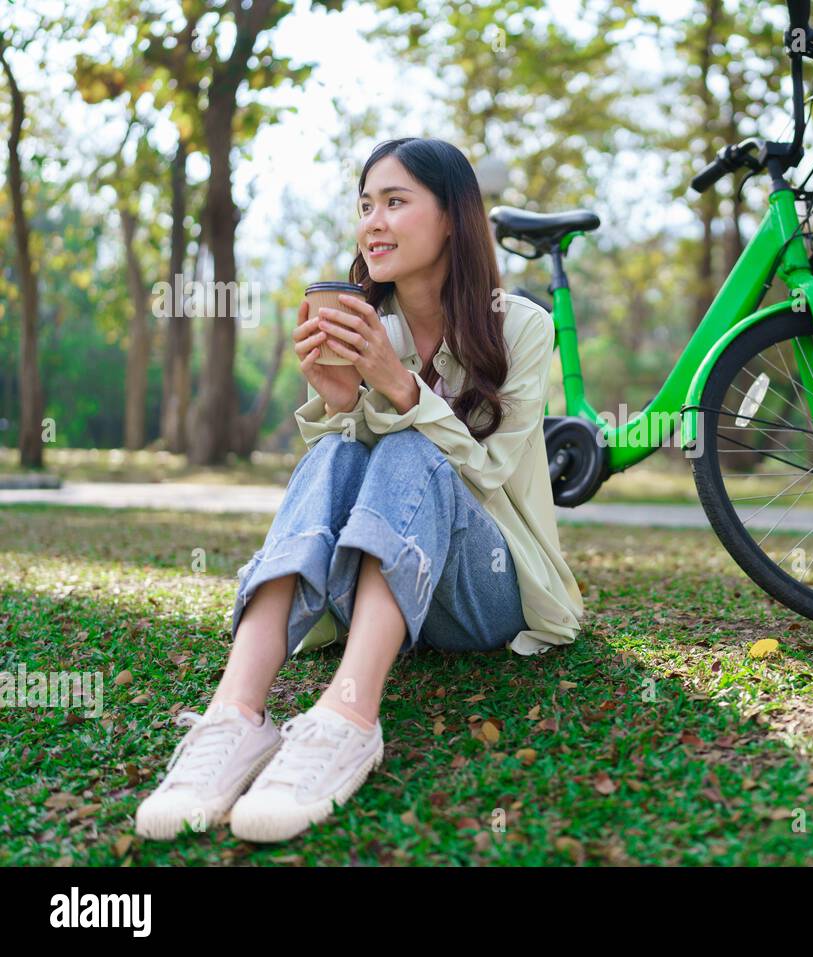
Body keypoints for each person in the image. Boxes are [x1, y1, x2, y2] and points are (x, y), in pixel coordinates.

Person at [135, 137, 584, 843]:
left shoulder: (522, 326)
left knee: (411, 442)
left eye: (396, 202)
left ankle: (347, 717)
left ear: (452, 218)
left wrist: (400, 388)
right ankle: (236, 714)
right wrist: (343, 404)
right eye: (365, 205)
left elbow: (486, 475)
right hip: (393, 594)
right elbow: (346, 489)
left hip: (486, 592)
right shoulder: (378, 328)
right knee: (335, 451)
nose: (373, 221)